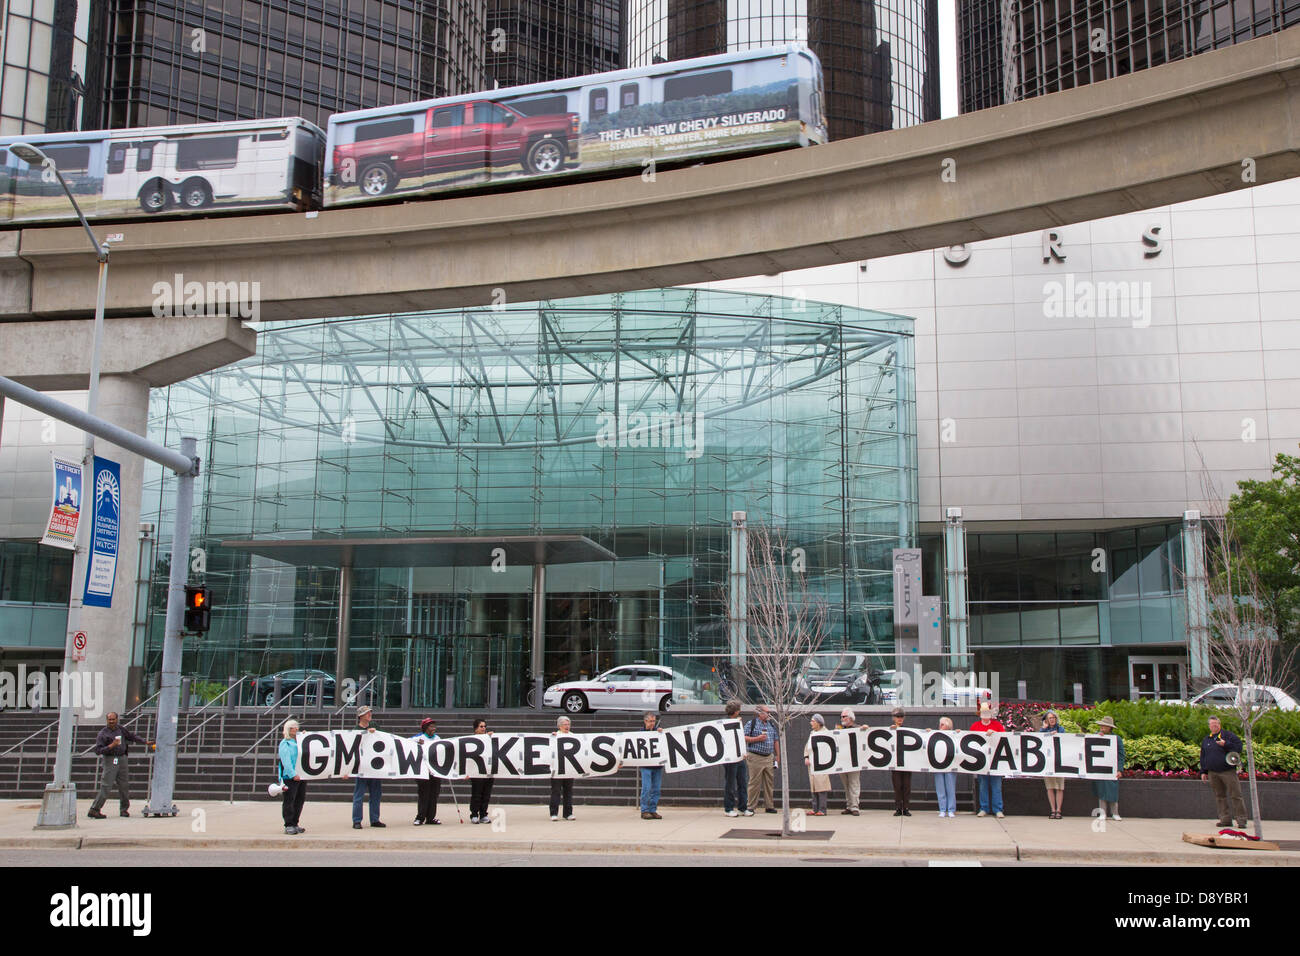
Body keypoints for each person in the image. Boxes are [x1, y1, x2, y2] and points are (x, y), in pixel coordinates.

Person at [87, 712, 154, 819]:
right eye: (110, 720)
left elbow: (131, 736)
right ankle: (94, 809)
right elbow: (98, 750)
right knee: (106, 785)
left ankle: (124, 810)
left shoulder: (121, 729)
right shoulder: (103, 734)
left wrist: (144, 742)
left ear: (117, 719)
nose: (112, 721)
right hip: (110, 759)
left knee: (124, 786)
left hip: (122, 759)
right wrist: (111, 746)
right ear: (107, 720)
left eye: (113, 719)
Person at [1200, 715, 1247, 828]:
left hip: (1227, 771)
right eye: (1212, 724)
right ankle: (1225, 819)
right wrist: (1203, 771)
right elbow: (1203, 756)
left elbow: (1239, 747)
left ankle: (1241, 820)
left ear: (1219, 725)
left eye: (1216, 724)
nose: (1214, 726)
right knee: (1219, 796)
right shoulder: (1207, 739)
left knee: (1236, 795)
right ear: (1209, 726)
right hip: (1213, 772)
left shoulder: (1228, 736)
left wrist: (1226, 744)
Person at [351, 705, 384, 829]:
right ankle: (357, 820)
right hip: (362, 767)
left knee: (376, 794)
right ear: (361, 716)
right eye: (367, 713)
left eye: (370, 713)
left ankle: (375, 819)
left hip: (374, 766)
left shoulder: (375, 726)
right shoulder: (355, 729)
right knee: (359, 794)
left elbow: (384, 738)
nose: (370, 715)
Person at [970, 706, 1006, 819]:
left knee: (996, 785)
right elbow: (969, 739)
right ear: (980, 715)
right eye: (983, 713)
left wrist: (994, 733)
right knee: (983, 785)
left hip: (995, 759)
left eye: (987, 713)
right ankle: (984, 808)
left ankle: (998, 809)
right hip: (981, 760)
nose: (985, 716)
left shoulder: (997, 725)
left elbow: (1004, 737)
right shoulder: (975, 726)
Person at [744, 704, 780, 814]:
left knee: (769, 782)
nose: (769, 715)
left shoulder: (771, 725)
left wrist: (777, 755)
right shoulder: (752, 724)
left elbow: (775, 740)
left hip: (768, 756)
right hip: (755, 756)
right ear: (760, 713)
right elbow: (744, 737)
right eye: (767, 712)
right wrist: (757, 739)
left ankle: (769, 805)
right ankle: (751, 806)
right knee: (754, 782)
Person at [722, 700, 752, 817]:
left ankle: (742, 807)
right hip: (730, 757)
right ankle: (728, 808)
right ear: (735, 711)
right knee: (730, 783)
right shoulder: (725, 723)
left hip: (739, 756)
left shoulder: (737, 723)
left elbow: (739, 739)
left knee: (742, 782)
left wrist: (743, 752)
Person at [1091, 715, 1125, 821]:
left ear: (1109, 727)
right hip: (1100, 767)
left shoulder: (1117, 739)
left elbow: (1121, 755)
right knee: (1101, 790)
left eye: (1104, 726)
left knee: (1113, 791)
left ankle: (1115, 813)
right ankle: (1102, 813)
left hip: (1112, 768)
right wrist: (1097, 736)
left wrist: (1120, 769)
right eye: (1101, 725)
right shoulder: (1096, 735)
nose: (1102, 727)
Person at [411, 717, 441, 825]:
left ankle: (431, 817)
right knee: (424, 794)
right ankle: (420, 817)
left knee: (434, 794)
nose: (433, 728)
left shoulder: (437, 738)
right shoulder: (418, 738)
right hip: (423, 771)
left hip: (435, 771)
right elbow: (406, 743)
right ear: (425, 728)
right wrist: (417, 742)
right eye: (431, 726)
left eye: (434, 726)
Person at [278, 719, 307, 834]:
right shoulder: (285, 743)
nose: (296, 729)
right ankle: (288, 823)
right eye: (293, 727)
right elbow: (286, 761)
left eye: (296, 727)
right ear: (288, 729)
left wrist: (305, 737)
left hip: (302, 774)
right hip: (290, 777)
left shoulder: (299, 741)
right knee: (289, 800)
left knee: (300, 800)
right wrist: (292, 774)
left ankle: (295, 822)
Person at [835, 708, 862, 815]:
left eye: (844, 716)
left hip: (854, 761)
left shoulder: (857, 728)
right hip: (843, 761)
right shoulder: (840, 729)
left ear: (850, 718)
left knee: (854, 783)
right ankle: (849, 805)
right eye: (841, 716)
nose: (842, 718)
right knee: (846, 784)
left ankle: (855, 806)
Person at [803, 713, 831, 815]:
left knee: (821, 785)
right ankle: (815, 808)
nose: (811, 723)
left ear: (818, 723)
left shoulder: (826, 733)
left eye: (813, 721)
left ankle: (822, 809)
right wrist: (806, 756)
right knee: (813, 786)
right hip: (812, 763)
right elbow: (807, 746)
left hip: (822, 763)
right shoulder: (812, 733)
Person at [639, 711, 665, 820]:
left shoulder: (657, 732)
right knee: (646, 788)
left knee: (656, 789)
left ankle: (652, 809)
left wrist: (661, 733)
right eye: (650, 721)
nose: (652, 723)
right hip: (646, 765)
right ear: (645, 721)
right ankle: (644, 810)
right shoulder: (640, 733)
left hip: (657, 765)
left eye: (654, 721)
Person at [1040, 710, 1066, 819]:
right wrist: (1045, 730)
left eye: (1053, 718)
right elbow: (1040, 740)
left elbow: (1065, 741)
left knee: (1059, 787)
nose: (1052, 720)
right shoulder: (1043, 730)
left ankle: (1059, 810)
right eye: (1049, 718)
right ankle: (1053, 810)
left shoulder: (1061, 729)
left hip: (1059, 761)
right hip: (1048, 762)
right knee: (1050, 787)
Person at [550, 716, 577, 821]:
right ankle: (553, 813)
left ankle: (568, 813)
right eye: (565, 725)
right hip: (557, 768)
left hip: (569, 768)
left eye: (568, 724)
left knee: (568, 791)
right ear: (559, 726)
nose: (567, 726)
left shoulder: (573, 736)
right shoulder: (555, 735)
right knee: (556, 790)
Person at [469, 718, 494, 824]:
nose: (483, 728)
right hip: (477, 771)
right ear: (475, 729)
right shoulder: (471, 740)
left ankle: (483, 814)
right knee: (477, 793)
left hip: (488, 770)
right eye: (481, 726)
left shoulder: (489, 738)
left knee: (486, 793)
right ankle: (474, 814)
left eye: (484, 726)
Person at [890, 707, 912, 816]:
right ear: (894, 718)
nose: (900, 719)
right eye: (897, 717)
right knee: (897, 785)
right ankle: (898, 807)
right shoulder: (890, 730)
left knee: (906, 786)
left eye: (901, 717)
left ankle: (906, 807)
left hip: (907, 761)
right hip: (895, 761)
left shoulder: (907, 730)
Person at [933, 716, 957, 817]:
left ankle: (951, 809)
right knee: (940, 788)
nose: (940, 726)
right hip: (938, 764)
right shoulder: (935, 734)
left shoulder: (954, 734)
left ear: (948, 725)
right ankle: (942, 809)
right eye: (940, 724)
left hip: (950, 763)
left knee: (950, 787)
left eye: (942, 724)